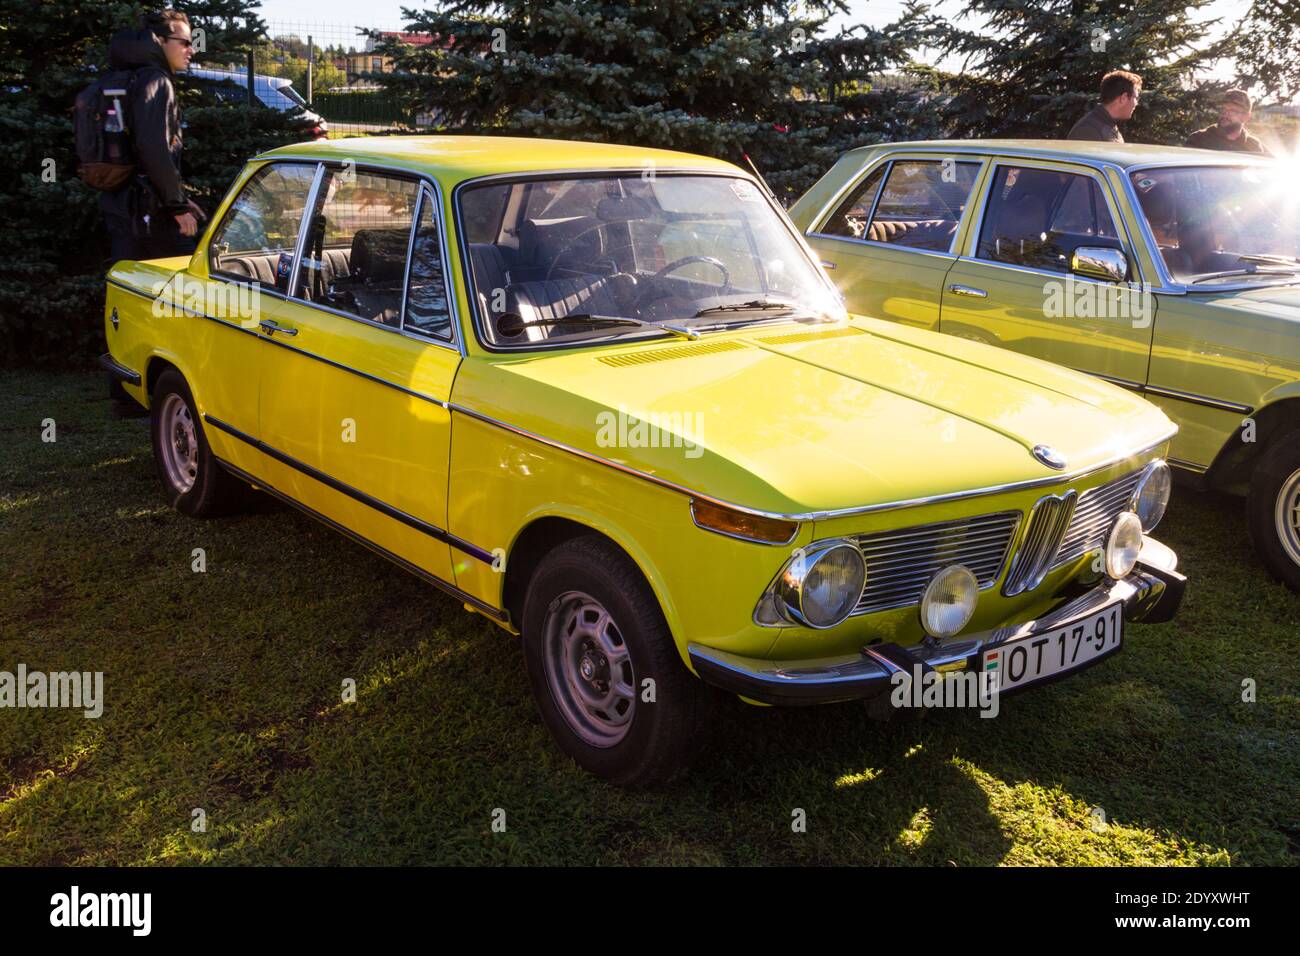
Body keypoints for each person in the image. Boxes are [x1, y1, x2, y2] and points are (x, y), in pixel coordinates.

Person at [99, 9, 204, 264]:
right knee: (179, 284)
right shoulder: (156, 81)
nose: (192, 50)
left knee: (132, 280)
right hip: (150, 211)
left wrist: (182, 198)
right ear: (160, 41)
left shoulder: (125, 77)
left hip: (121, 203)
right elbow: (152, 147)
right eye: (185, 43)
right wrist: (177, 207)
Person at [1185, 89, 1270, 155]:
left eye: (1232, 110)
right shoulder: (1199, 139)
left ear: (1246, 117)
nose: (1225, 114)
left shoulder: (1253, 145)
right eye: (1223, 109)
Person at [1068, 70, 1142, 143]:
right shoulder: (1088, 130)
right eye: (1136, 97)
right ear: (1123, 97)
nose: (1136, 103)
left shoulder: (1107, 124)